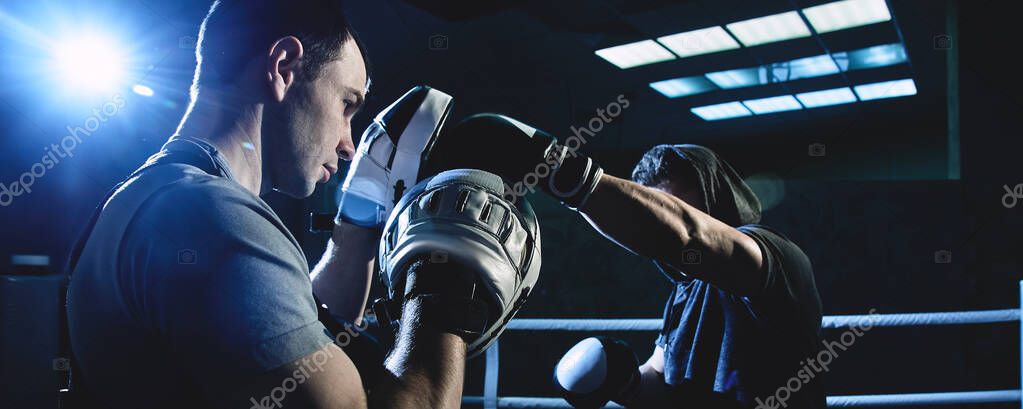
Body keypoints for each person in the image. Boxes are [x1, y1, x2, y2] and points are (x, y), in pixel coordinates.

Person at [64, 1, 538, 408]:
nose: (350, 146)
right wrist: (440, 297)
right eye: (348, 104)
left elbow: (291, 337)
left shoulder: (159, 194)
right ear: (284, 67)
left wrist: (356, 232)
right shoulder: (211, 221)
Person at [431, 115, 825, 408]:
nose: (661, 232)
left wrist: (559, 169)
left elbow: (690, 235)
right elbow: (662, 379)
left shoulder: (775, 260)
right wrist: (620, 381)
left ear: (717, 203)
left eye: (677, 208)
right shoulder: (685, 294)